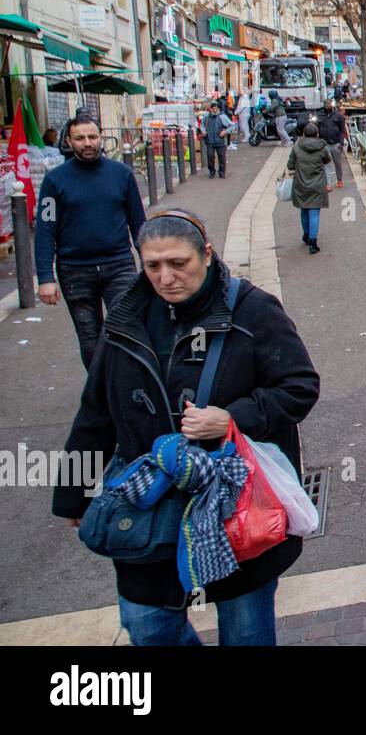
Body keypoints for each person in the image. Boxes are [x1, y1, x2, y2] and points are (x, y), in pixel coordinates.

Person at [52, 209, 319, 645]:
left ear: (207, 255)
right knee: (147, 627)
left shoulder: (252, 309)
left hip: (233, 503)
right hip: (151, 501)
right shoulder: (125, 318)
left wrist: (233, 417)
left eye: (179, 264)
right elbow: (96, 411)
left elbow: (299, 386)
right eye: (153, 265)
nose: (166, 277)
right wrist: (72, 491)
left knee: (245, 630)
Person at [35, 114, 146, 370]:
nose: (87, 143)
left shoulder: (122, 175)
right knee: (89, 339)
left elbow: (138, 223)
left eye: (92, 136)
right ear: (69, 141)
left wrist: (149, 262)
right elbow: (45, 230)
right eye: (80, 138)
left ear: (101, 138)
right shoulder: (54, 182)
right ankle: (101, 394)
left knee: (127, 328)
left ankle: (127, 385)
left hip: (119, 264)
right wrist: (45, 278)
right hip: (75, 270)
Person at [287, 122, 330, 255]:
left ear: (303, 134)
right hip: (317, 183)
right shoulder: (322, 147)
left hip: (300, 182)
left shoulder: (297, 147)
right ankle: (313, 242)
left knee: (304, 209)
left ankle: (306, 234)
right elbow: (327, 160)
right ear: (317, 134)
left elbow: (290, 165)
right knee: (314, 212)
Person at [318, 96, 347, 190]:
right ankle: (328, 184)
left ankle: (339, 180)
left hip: (336, 143)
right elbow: (317, 129)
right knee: (326, 164)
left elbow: (342, 130)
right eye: (325, 103)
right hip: (325, 144)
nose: (327, 105)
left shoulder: (338, 116)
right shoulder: (320, 116)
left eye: (329, 103)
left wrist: (341, 143)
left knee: (337, 163)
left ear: (332, 105)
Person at [200, 100, 233, 179]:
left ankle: (221, 173)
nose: (214, 110)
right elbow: (202, 125)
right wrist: (203, 131)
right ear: (210, 109)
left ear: (218, 109)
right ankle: (212, 172)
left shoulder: (222, 117)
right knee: (210, 157)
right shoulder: (206, 116)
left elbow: (232, 125)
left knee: (222, 157)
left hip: (220, 141)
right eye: (213, 108)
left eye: (216, 108)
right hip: (210, 140)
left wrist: (225, 131)